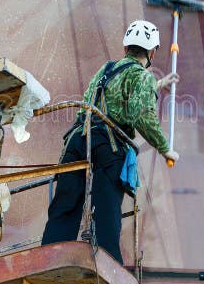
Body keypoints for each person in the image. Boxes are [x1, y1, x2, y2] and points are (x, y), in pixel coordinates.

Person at [41, 20, 180, 263]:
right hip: (108, 146)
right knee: (106, 211)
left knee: (65, 205)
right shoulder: (142, 76)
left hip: (77, 141)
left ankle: (50, 259)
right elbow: (141, 115)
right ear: (152, 52)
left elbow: (112, 98)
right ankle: (108, 266)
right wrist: (166, 149)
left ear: (125, 46)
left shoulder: (106, 69)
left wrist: (157, 86)